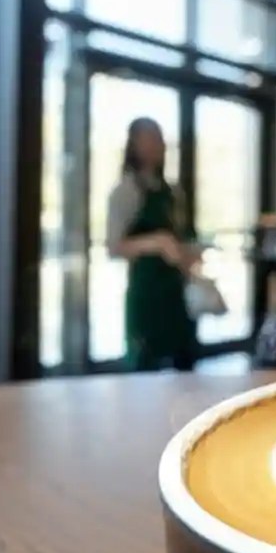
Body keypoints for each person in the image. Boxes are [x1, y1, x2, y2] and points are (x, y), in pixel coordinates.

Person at [106, 117, 199, 371]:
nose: (155, 145)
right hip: (146, 295)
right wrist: (156, 243)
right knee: (144, 368)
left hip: (177, 293)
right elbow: (114, 247)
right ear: (133, 145)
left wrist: (191, 254)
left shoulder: (173, 193)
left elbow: (186, 237)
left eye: (158, 139)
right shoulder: (125, 191)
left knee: (184, 363)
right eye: (148, 139)